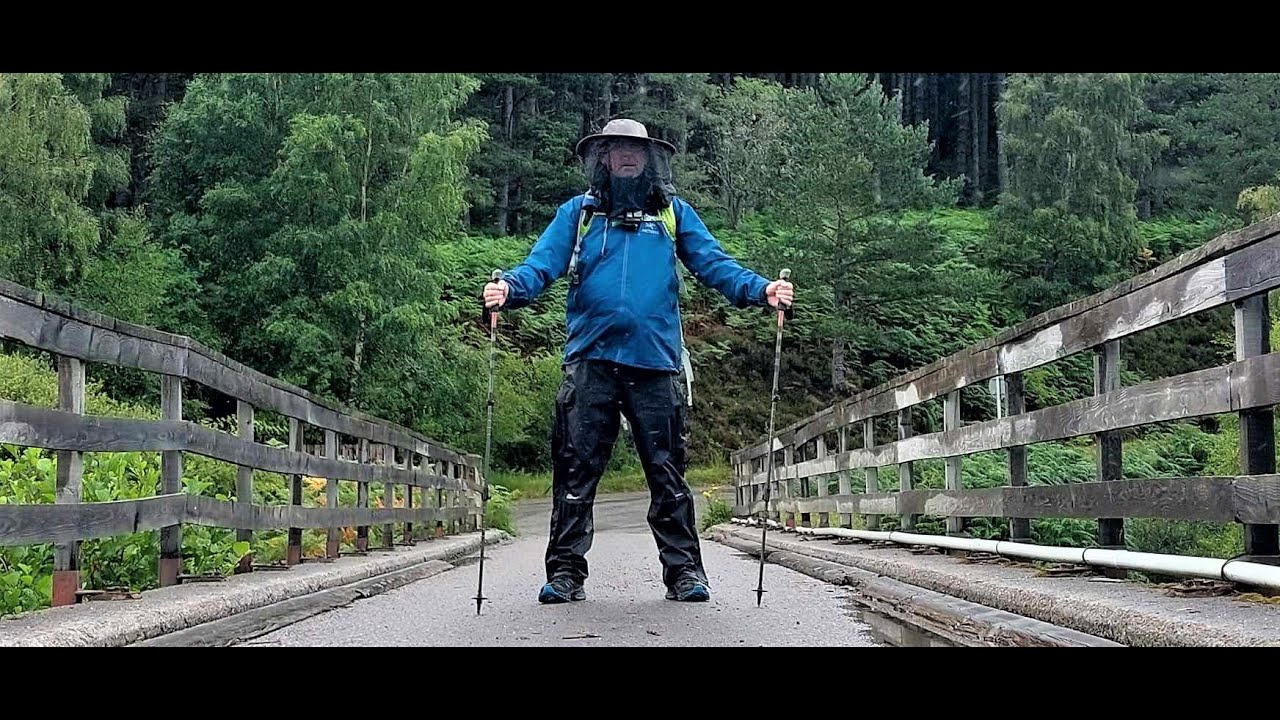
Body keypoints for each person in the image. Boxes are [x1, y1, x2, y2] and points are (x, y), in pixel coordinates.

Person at [483, 118, 794, 604]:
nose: (627, 156)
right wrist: (509, 289)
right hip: (590, 361)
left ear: (650, 158)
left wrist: (762, 290)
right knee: (574, 473)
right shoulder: (578, 215)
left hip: (656, 364)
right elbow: (540, 264)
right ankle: (565, 574)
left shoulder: (674, 215)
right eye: (617, 149)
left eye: (636, 149)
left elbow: (715, 265)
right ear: (603, 158)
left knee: (668, 474)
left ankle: (685, 574)